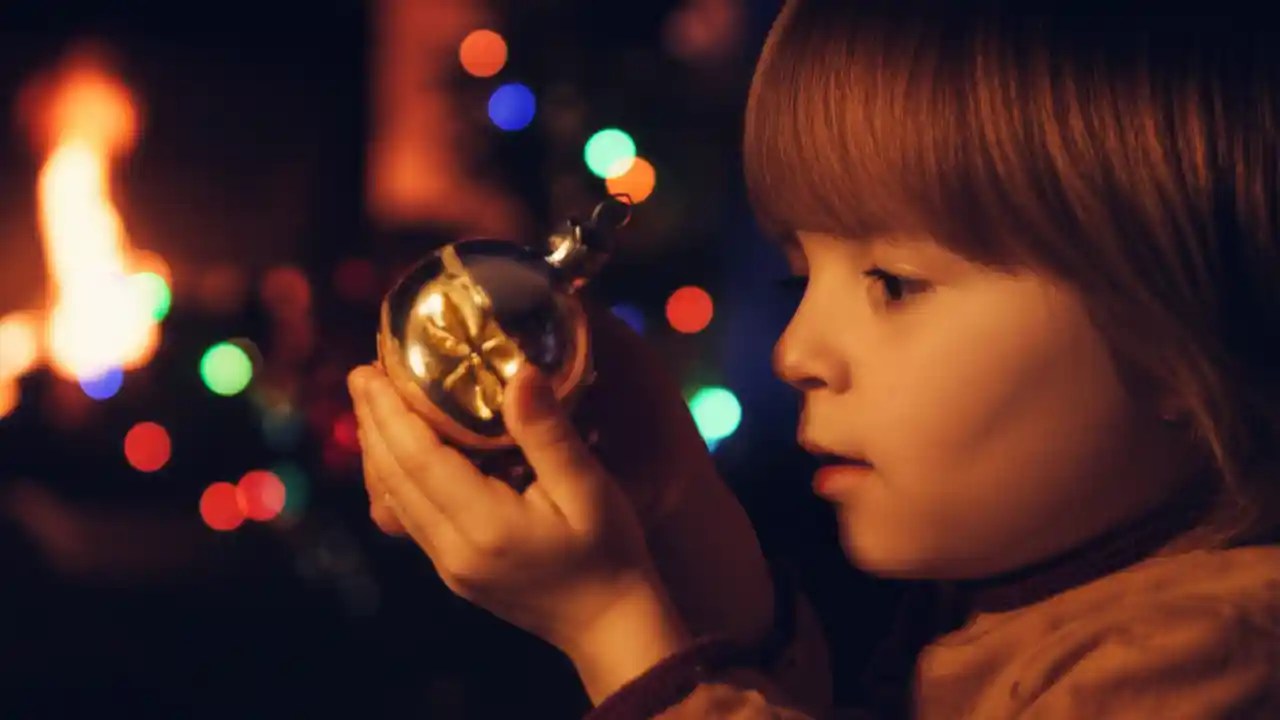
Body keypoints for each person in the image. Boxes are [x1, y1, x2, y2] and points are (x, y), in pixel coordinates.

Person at [346, 1, 1280, 717]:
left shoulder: (1213, 655)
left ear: (1171, 335)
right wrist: (676, 514)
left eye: (894, 283)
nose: (796, 352)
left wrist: (611, 625)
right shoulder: (1026, 597)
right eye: (799, 276)